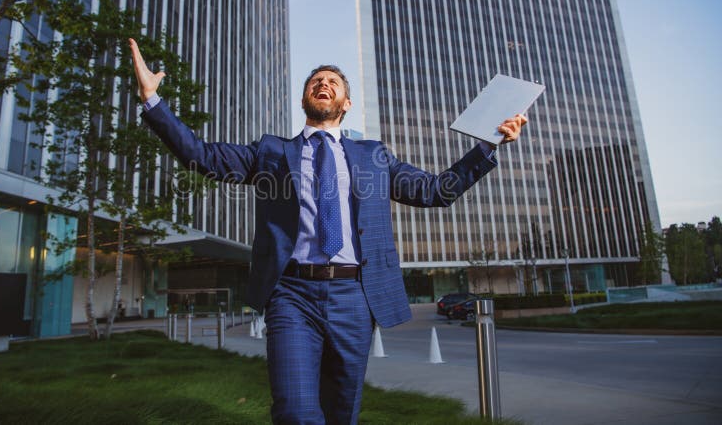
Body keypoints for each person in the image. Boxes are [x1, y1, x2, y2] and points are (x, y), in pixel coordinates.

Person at [129, 38, 527, 424]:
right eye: (315, 81)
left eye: (333, 82)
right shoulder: (270, 152)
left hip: (354, 296)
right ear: (305, 99)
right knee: (294, 411)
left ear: (346, 104)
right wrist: (153, 102)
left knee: (341, 411)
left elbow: (436, 191)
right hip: (291, 295)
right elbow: (202, 156)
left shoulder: (373, 155)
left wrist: (489, 147)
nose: (323, 84)